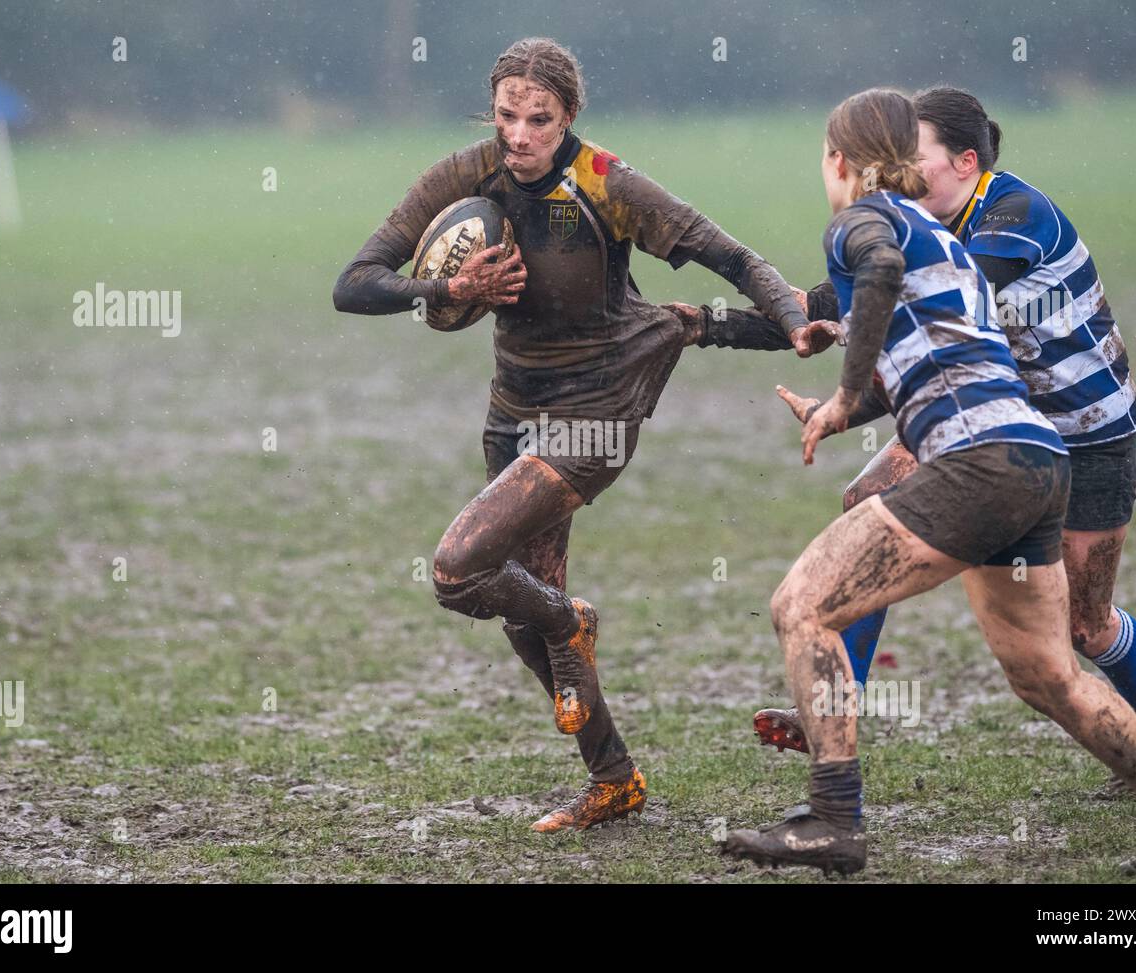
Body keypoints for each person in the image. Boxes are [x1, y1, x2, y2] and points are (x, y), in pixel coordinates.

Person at [332, 37, 830, 832]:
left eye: (540, 120)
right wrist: (448, 285)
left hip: (599, 406)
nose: (520, 134)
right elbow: (353, 284)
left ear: (569, 117)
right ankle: (614, 779)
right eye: (507, 115)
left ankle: (573, 622)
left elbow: (733, 257)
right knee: (522, 617)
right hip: (513, 411)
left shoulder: (606, 180)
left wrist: (796, 316)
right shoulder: (466, 174)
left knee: (458, 570)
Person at [720, 88, 1136, 875]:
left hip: (1058, 442)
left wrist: (843, 393)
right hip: (1028, 449)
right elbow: (904, 325)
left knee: (805, 604)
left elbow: (881, 278)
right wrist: (715, 324)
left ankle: (835, 817)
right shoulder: (937, 239)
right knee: (1048, 674)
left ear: (841, 160)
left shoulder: (937, 219)